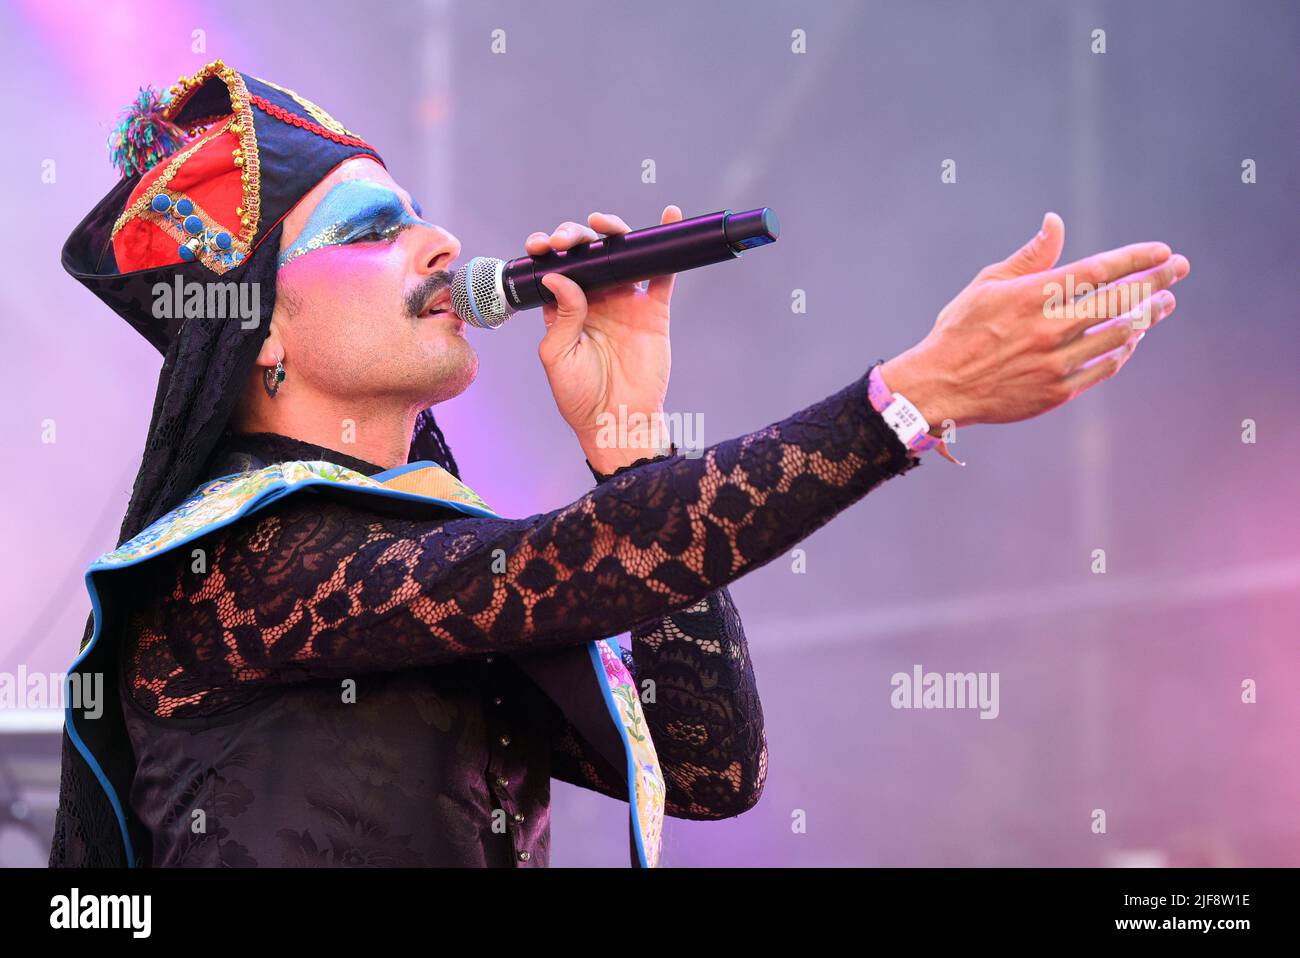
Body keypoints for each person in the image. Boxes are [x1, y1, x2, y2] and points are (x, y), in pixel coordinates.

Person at [51, 60, 1190, 869]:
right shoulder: (233, 568)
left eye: (420, 215)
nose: (442, 243)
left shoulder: (417, 564)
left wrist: (628, 437)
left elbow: (708, 765)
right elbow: (570, 564)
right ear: (261, 333)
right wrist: (913, 398)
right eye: (368, 229)